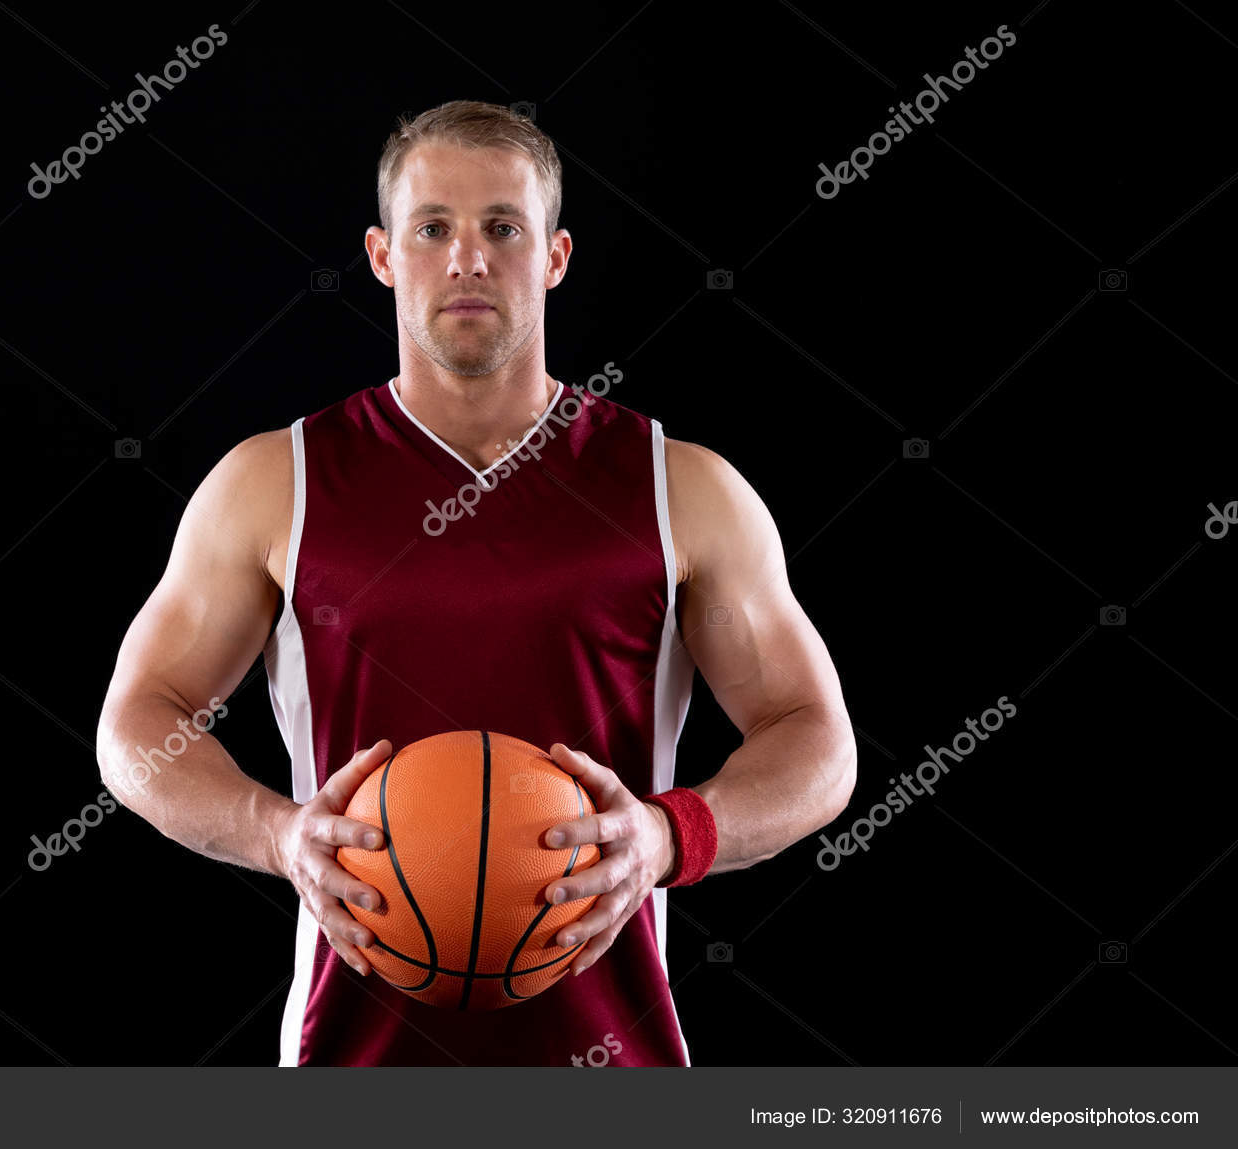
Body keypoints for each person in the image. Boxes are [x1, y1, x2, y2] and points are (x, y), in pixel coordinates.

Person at [95, 99, 857, 1066]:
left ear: (555, 256)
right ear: (382, 255)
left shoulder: (681, 487)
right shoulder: (275, 482)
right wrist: (276, 833)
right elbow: (135, 725)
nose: (468, 259)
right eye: (432, 228)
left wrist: (671, 836)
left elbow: (817, 739)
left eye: (503, 227)